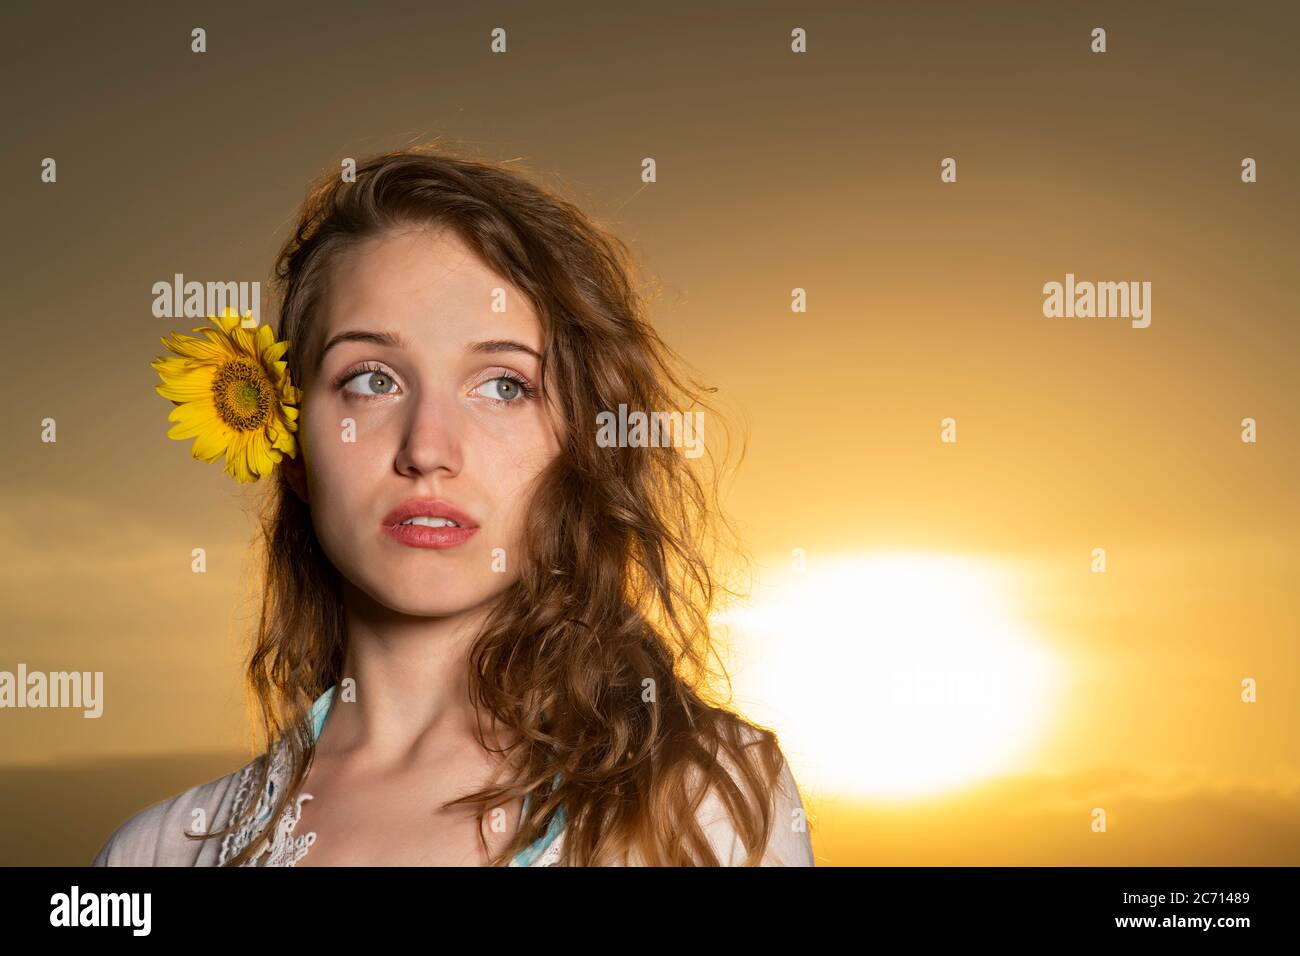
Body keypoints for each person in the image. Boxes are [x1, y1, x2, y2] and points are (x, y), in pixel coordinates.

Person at [93, 143, 815, 867]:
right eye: (372, 380)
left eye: (504, 385)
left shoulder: (704, 804)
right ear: (290, 444)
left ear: (583, 445)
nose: (429, 448)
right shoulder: (155, 854)